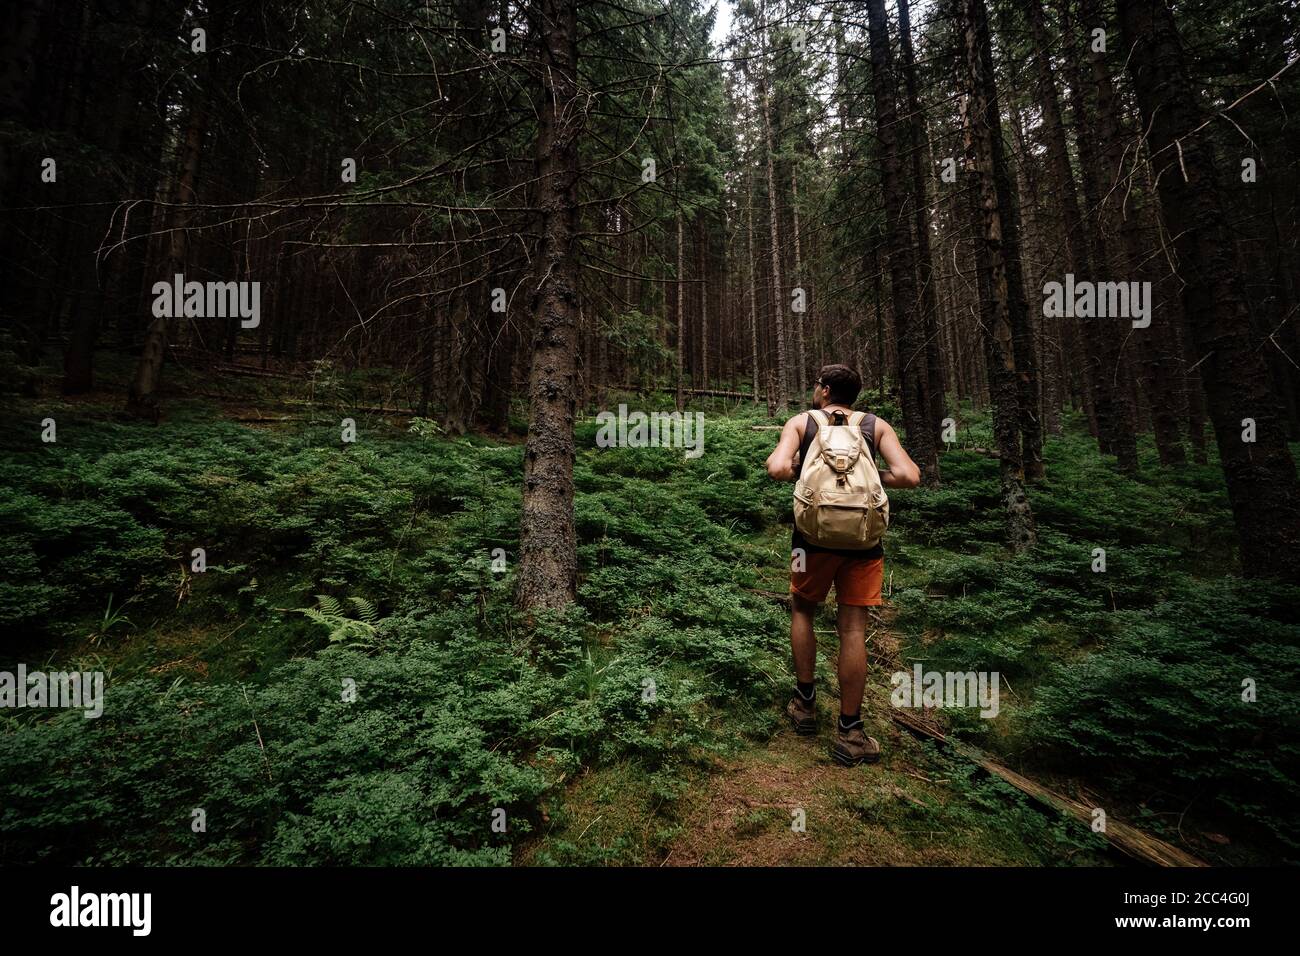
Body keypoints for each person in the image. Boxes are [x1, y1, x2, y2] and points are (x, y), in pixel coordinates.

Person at [764, 364, 921, 766]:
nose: (815, 390)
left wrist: (806, 475)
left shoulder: (802, 422)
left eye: (817, 385)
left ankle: (804, 706)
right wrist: (870, 477)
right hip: (864, 542)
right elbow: (910, 476)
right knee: (853, 627)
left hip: (809, 542)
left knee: (802, 610)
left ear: (825, 390)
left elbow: (778, 468)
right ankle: (850, 732)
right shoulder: (875, 426)